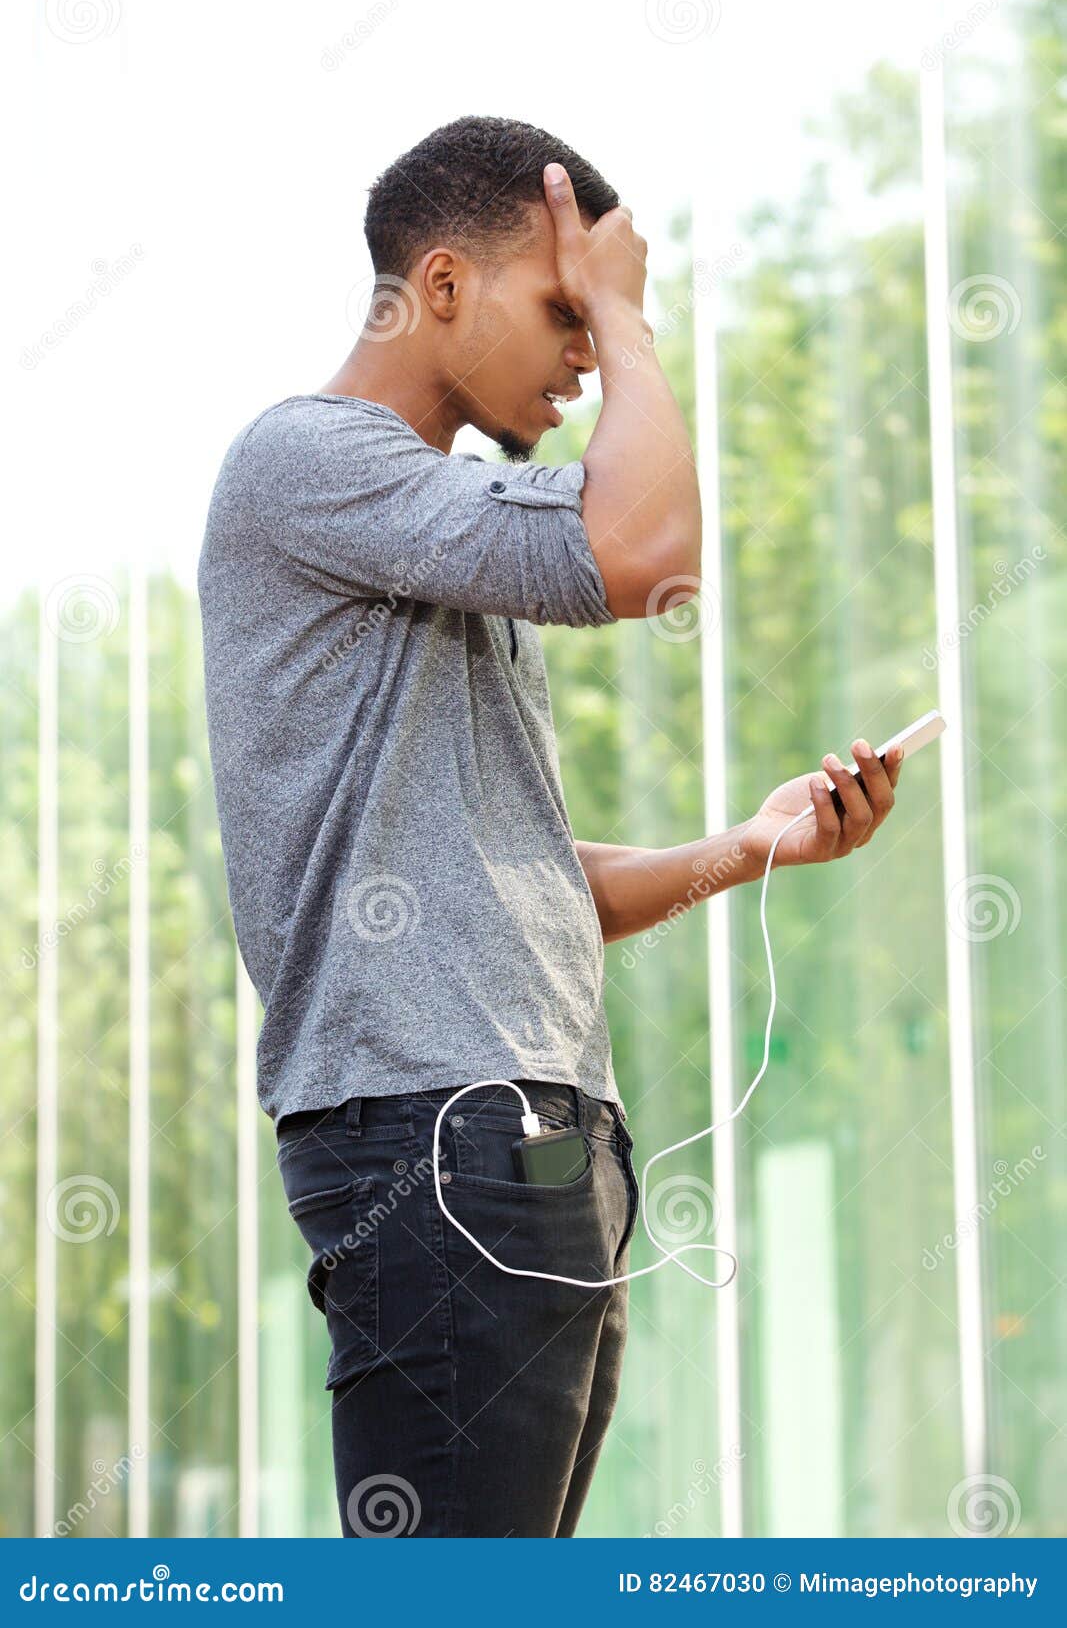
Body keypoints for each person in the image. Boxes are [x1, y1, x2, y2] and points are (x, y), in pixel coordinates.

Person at [197, 115, 904, 1538]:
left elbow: (522, 883)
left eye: (596, 322)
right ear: (441, 285)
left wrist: (754, 844)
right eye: (564, 310)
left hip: (524, 1142)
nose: (586, 356)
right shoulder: (308, 460)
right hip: (442, 1136)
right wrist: (631, 318)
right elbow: (646, 554)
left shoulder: (437, 531)